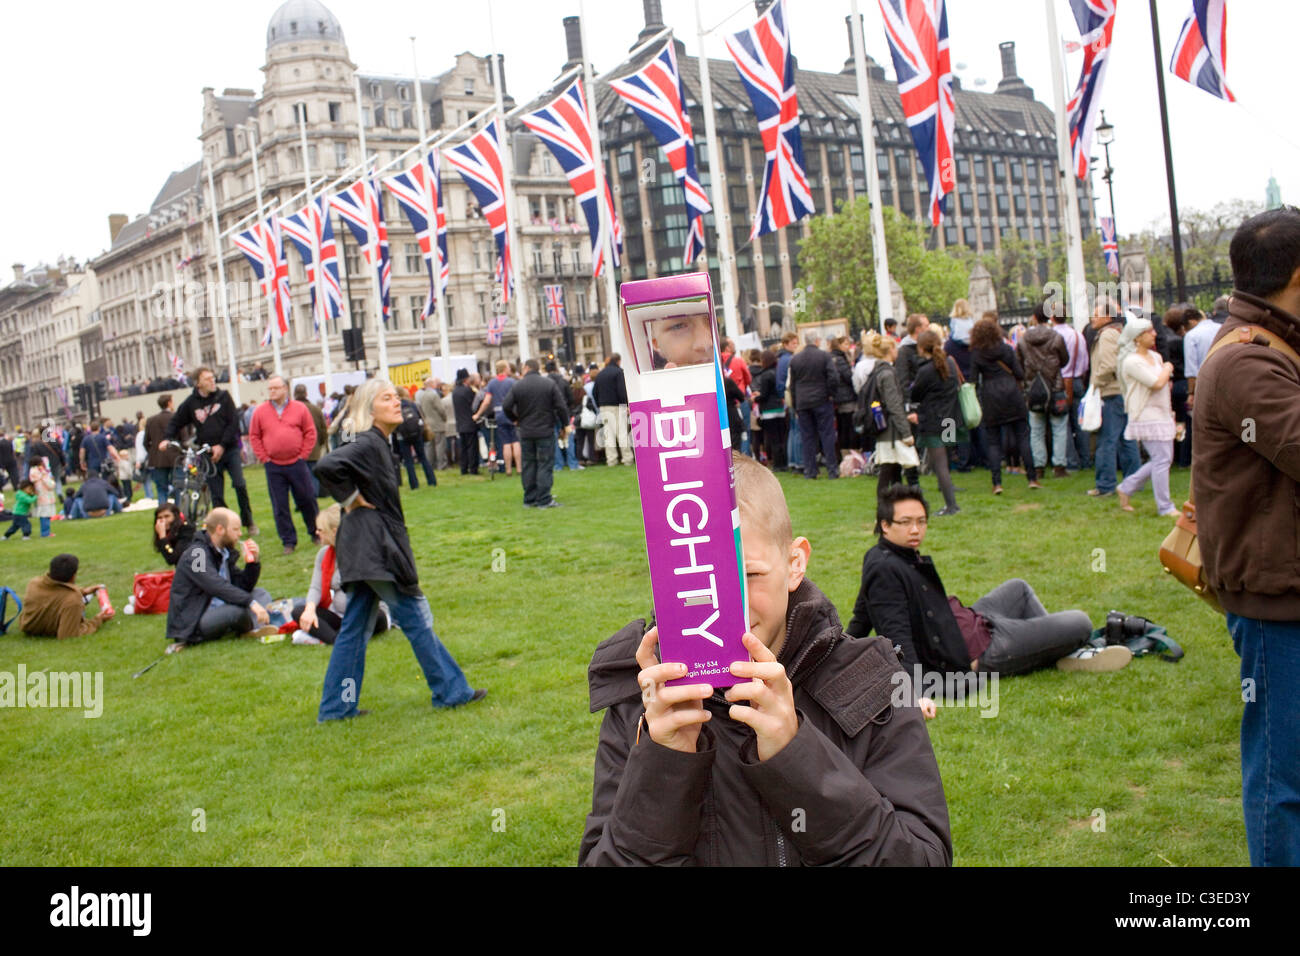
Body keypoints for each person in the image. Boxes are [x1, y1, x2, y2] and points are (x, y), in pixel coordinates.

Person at [579, 453, 952, 866]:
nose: (721, 608)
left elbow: (921, 858)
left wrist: (797, 756)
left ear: (795, 564)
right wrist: (662, 763)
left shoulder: (872, 684)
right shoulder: (644, 700)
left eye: (748, 575)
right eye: (697, 579)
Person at [1193, 206, 1300, 866]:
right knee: (1280, 781)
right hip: (1274, 600)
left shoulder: (1272, 346)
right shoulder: (1247, 361)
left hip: (1282, 586)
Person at [314, 378, 487, 721]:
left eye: (396, 397)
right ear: (369, 408)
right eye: (387, 398)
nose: (397, 403)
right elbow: (326, 466)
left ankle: (336, 707)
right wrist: (349, 498)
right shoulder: (368, 443)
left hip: (366, 548)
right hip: (375, 550)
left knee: (354, 629)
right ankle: (451, 691)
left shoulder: (377, 443)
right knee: (414, 619)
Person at [847, 484, 1129, 689]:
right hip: (978, 651)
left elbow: (862, 615)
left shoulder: (886, 555)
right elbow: (897, 637)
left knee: (1018, 587)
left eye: (921, 522)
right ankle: (1076, 650)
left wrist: (841, 650)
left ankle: (1064, 650)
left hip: (972, 620)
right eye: (905, 523)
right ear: (885, 526)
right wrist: (913, 693)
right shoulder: (885, 568)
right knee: (1080, 621)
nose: (915, 530)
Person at [162, 367, 258, 534]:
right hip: (207, 453)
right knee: (216, 494)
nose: (212, 381)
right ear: (198, 383)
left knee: (239, 484)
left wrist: (222, 445)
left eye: (212, 377)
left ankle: (248, 521)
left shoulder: (224, 397)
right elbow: (176, 421)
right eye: (207, 379)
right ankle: (224, 526)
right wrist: (167, 438)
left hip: (229, 450)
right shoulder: (191, 403)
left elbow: (233, 423)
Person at [164, 507, 274, 651]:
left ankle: (254, 623)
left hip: (221, 605)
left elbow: (241, 586)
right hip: (196, 619)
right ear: (220, 529)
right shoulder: (197, 553)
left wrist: (253, 563)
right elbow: (215, 585)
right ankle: (254, 627)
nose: (240, 534)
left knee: (261, 594)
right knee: (236, 612)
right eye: (235, 530)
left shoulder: (223, 550)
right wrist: (251, 603)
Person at [291, 504, 390, 646]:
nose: (317, 533)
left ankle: (331, 637)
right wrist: (310, 610)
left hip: (366, 612)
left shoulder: (362, 552)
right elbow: (316, 588)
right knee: (299, 611)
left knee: (376, 617)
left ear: (335, 531)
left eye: (321, 530)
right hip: (338, 615)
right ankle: (336, 640)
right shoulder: (324, 554)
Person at [1115, 314, 1178, 516]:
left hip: (1162, 412)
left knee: (1163, 459)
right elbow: (1156, 383)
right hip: (1145, 414)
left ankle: (1127, 487)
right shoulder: (1131, 362)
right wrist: (1168, 368)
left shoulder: (1156, 357)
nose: (1154, 334)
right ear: (1137, 337)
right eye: (1149, 332)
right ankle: (1165, 506)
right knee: (1162, 459)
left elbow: (1163, 387)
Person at [970, 317, 1040, 494]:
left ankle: (997, 483)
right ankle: (1032, 478)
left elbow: (973, 380)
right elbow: (1019, 373)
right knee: (1023, 436)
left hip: (991, 396)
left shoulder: (977, 354)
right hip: (1011, 394)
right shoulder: (1006, 349)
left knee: (993, 442)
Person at [250, 375, 319, 555]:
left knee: (307, 498)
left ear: (285, 389)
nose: (272, 391)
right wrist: (264, 457)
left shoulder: (300, 408)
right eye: (270, 388)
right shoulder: (260, 411)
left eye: (275, 388)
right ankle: (288, 541)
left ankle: (316, 532)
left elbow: (310, 432)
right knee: (280, 505)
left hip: (297, 463)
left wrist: (303, 454)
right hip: (273, 466)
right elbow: (254, 436)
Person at [1086, 299, 1140, 497]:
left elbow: (1108, 365)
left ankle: (1106, 485)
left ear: (1107, 317)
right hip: (1123, 392)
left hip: (1111, 392)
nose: (1092, 317)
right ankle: (1134, 481)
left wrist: (1094, 384)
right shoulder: (1119, 331)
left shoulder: (1107, 335)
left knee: (1107, 441)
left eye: (1096, 314)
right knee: (1127, 439)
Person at [503, 358, 570, 509]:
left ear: (526, 368)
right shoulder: (548, 384)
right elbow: (561, 406)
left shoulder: (517, 385)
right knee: (545, 464)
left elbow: (506, 405)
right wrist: (565, 424)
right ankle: (544, 499)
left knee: (528, 464)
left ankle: (530, 498)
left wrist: (516, 419)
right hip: (545, 430)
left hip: (526, 431)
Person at [909, 330, 962, 516]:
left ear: (922, 347)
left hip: (932, 420)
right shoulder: (949, 363)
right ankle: (950, 499)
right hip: (950, 418)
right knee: (943, 462)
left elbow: (915, 394)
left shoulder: (925, 370)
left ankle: (951, 505)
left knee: (939, 464)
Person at [1017, 300, 1071, 478]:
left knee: (1036, 428)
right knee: (1059, 427)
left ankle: (1038, 466)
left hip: (1033, 388)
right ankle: (1059, 466)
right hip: (1055, 386)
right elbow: (1065, 360)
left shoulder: (1024, 339)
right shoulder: (1056, 338)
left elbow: (1019, 362)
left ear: (1033, 317)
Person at [863, 333, 916, 499]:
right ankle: (884, 510)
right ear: (890, 350)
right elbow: (894, 405)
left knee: (892, 470)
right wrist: (906, 432)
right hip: (892, 431)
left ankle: (894, 506)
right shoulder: (887, 373)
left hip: (885, 428)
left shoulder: (878, 371)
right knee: (891, 470)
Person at [18, 554, 110, 639]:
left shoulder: (34, 583)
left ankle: (84, 599)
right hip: (48, 629)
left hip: (28, 627)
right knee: (78, 610)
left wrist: (83, 591)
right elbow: (67, 635)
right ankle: (84, 601)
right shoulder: (72, 600)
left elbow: (55, 591)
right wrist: (98, 620)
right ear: (73, 576)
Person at [788, 333, 840, 480]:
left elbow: (793, 385)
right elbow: (833, 377)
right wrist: (830, 394)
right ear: (817, 341)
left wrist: (796, 403)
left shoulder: (796, 359)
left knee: (807, 438)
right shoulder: (824, 356)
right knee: (827, 436)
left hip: (803, 402)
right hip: (822, 400)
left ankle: (810, 471)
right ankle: (832, 470)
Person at [1050, 302, 1091, 472]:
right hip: (1077, 380)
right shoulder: (1077, 335)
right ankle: (1086, 459)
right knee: (1080, 422)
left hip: (1060, 383)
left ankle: (1071, 461)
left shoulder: (1052, 336)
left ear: (1052, 317)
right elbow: (1085, 361)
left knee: (1062, 424)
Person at [1161, 304, 1198, 468]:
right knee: (1185, 421)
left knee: (1174, 421)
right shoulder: (1181, 340)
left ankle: (1174, 453)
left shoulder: (1164, 340)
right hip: (1182, 383)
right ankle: (1184, 456)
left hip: (1170, 384)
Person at [1183, 294, 1226, 414]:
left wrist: (1191, 393)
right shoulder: (1221, 327)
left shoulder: (1191, 335)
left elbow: (1192, 369)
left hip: (1206, 387)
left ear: (1191, 322)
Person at [477, 360, 520, 476]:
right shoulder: (512, 382)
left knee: (505, 442)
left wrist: (478, 414)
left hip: (499, 414)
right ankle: (519, 468)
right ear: (505, 369)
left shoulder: (491, 383)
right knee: (515, 441)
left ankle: (508, 469)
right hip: (512, 413)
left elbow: (486, 402)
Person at [593, 354, 633, 466]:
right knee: (622, 433)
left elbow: (594, 392)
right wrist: (625, 405)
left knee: (608, 434)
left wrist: (599, 404)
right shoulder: (618, 372)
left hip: (603, 407)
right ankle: (627, 458)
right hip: (616, 406)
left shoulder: (600, 374)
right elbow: (622, 391)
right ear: (618, 361)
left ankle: (611, 460)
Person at [752, 349, 787, 471]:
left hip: (769, 411)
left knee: (774, 439)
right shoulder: (777, 372)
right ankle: (784, 462)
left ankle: (778, 464)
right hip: (779, 408)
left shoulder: (765, 375)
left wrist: (756, 398)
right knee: (782, 438)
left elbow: (765, 395)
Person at [394, 393, 437, 489]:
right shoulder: (412, 404)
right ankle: (432, 481)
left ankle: (414, 484)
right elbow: (421, 418)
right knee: (423, 458)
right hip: (417, 434)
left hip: (402, 436)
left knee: (408, 461)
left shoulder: (395, 407)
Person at [294, 383, 330, 495]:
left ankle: (304, 498)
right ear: (306, 393)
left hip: (296, 449)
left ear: (294, 394)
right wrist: (323, 442)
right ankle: (313, 496)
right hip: (314, 447)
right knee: (313, 473)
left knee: (299, 476)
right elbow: (323, 428)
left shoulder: (290, 410)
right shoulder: (315, 409)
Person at [830, 335, 858, 455]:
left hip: (840, 397)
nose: (848, 347)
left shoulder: (835, 358)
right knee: (848, 427)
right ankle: (850, 452)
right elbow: (848, 377)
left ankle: (845, 452)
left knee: (843, 427)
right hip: (846, 397)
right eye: (845, 344)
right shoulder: (840, 359)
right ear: (839, 345)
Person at [452, 369, 480, 475]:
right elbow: (474, 405)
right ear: (465, 379)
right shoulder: (468, 391)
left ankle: (463, 468)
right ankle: (473, 469)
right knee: (472, 448)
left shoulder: (455, 391)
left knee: (463, 448)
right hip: (470, 423)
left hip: (460, 423)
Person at [417, 377, 449, 471]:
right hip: (437, 423)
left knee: (429, 446)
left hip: (427, 423)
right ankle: (441, 465)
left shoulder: (421, 396)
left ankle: (430, 465)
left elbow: (420, 409)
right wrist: (444, 418)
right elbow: (441, 409)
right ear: (431, 384)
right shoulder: (434, 395)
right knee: (440, 445)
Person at [27, 456, 57, 538]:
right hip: (45, 494)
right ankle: (45, 533)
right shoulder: (41, 471)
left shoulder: (32, 471)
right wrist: (53, 483)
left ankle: (45, 532)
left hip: (39, 495)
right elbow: (48, 483)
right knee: (46, 515)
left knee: (42, 514)